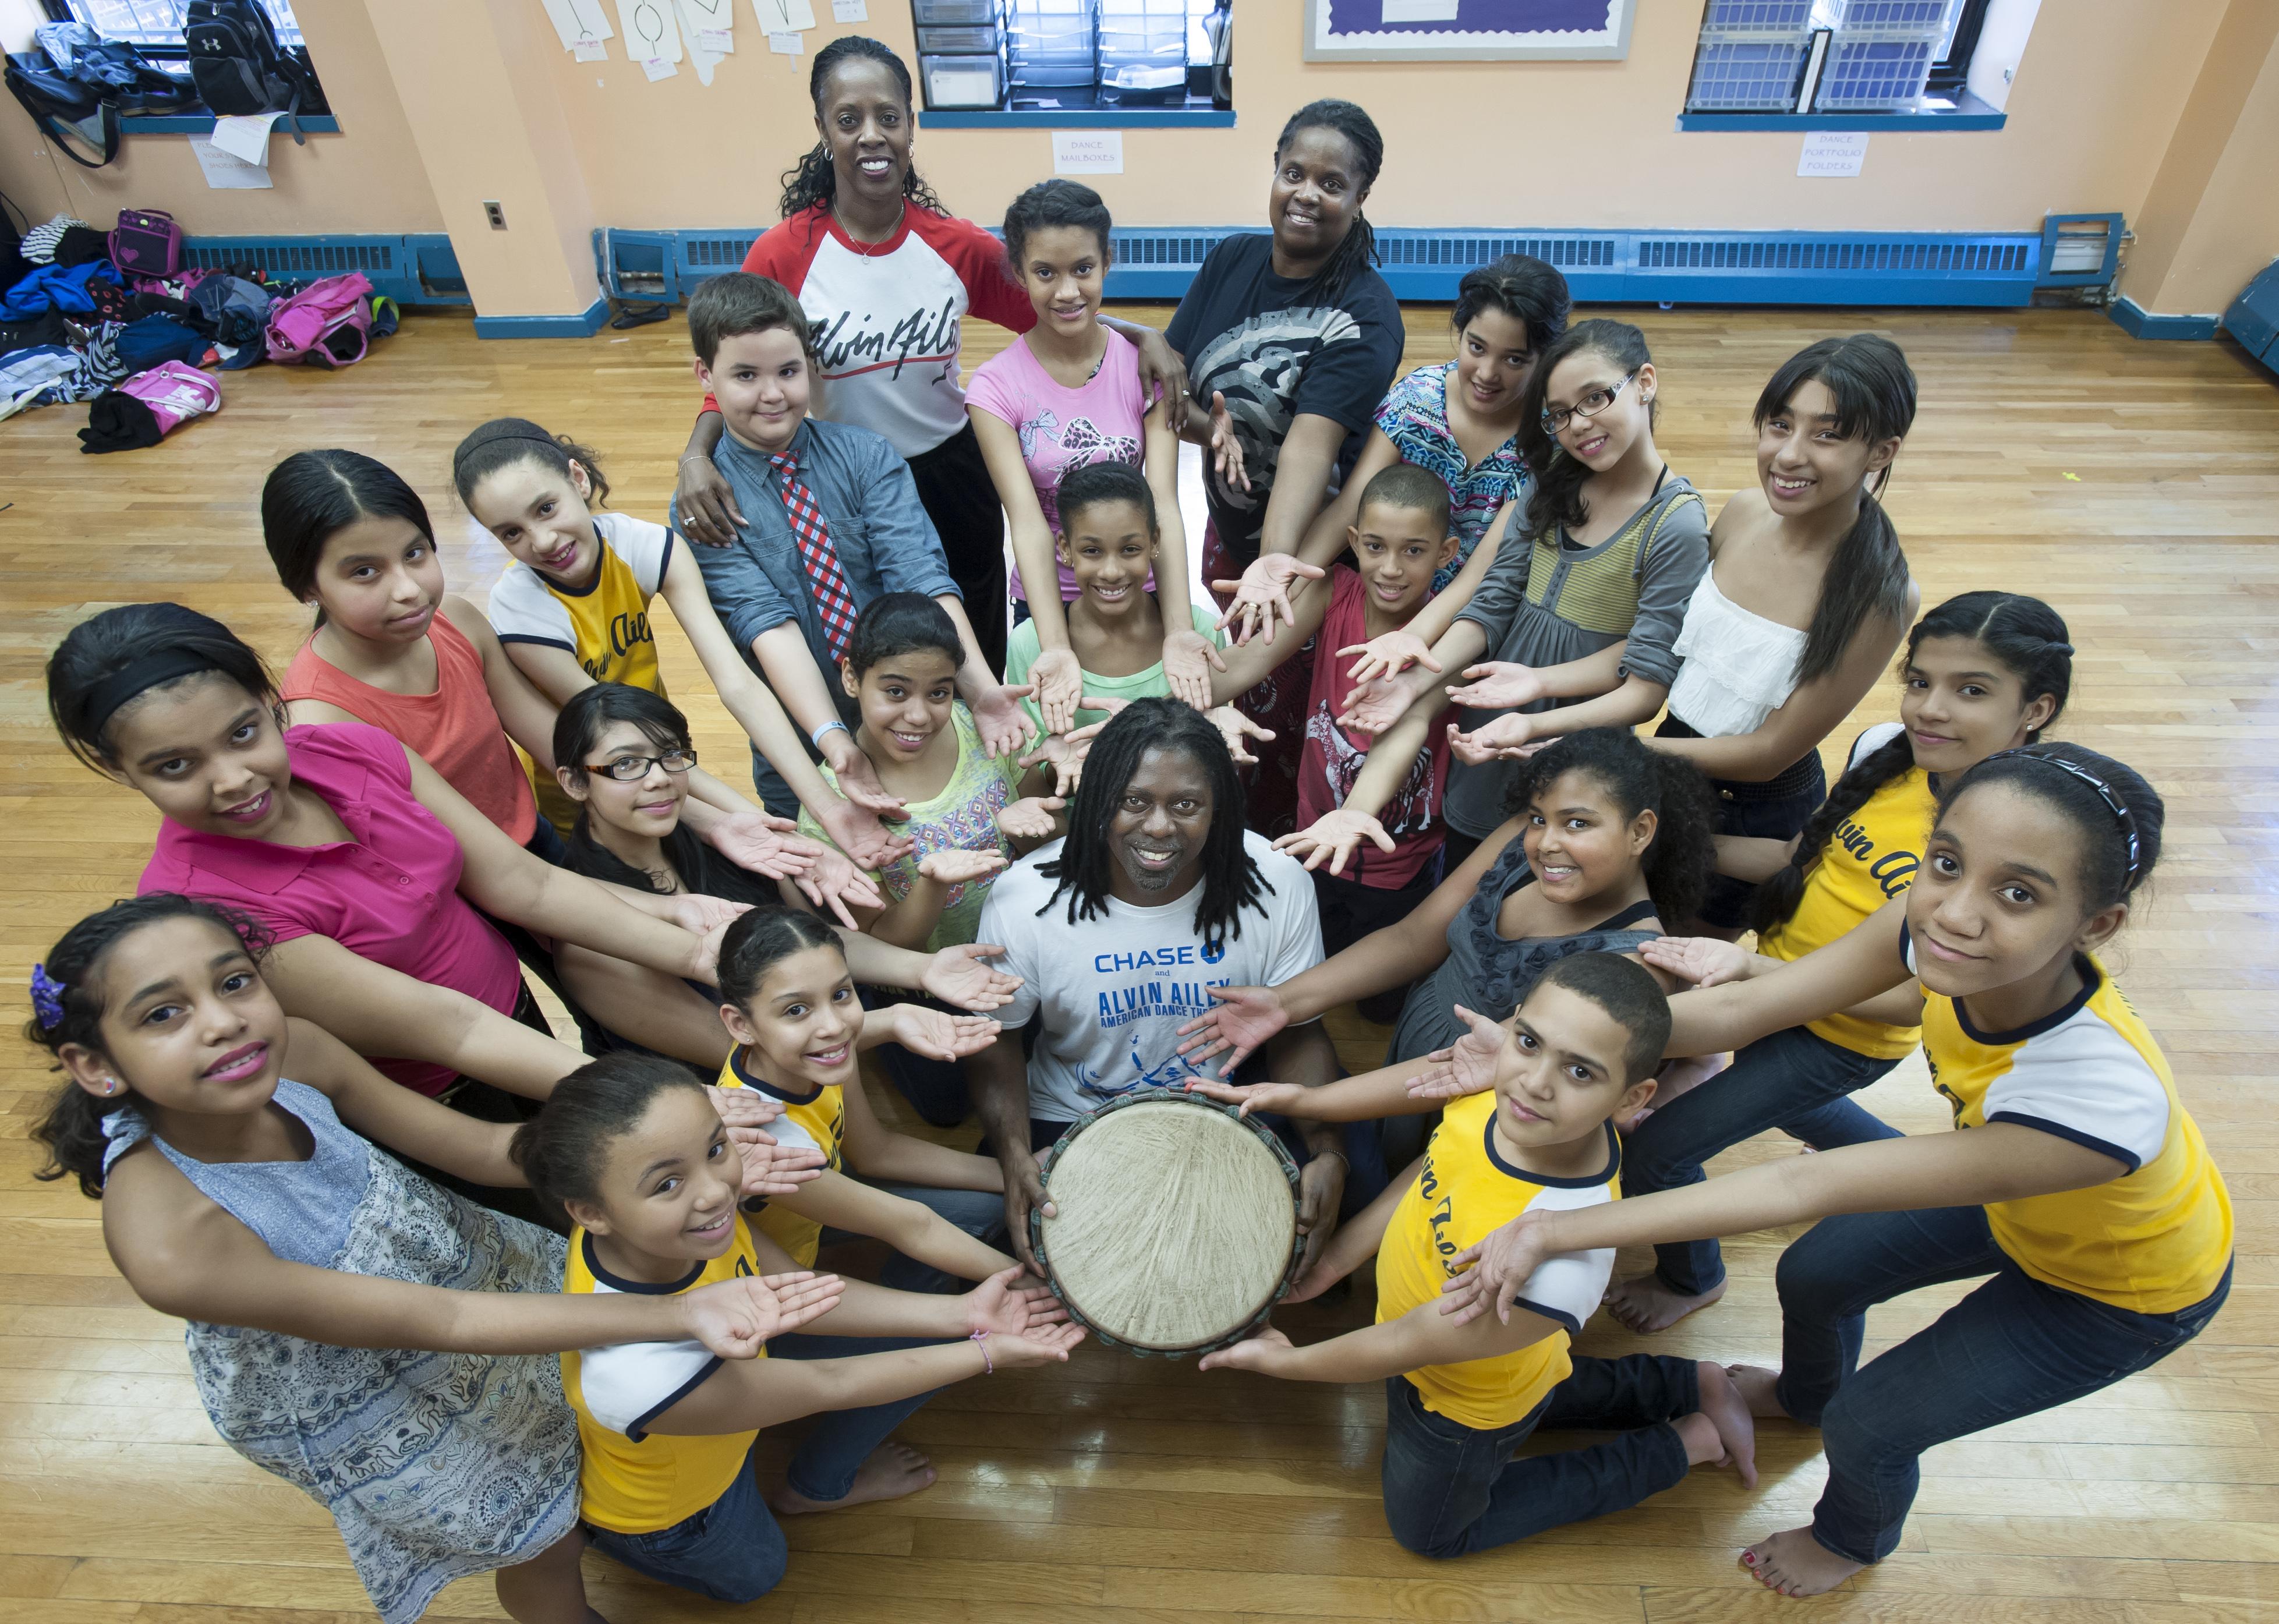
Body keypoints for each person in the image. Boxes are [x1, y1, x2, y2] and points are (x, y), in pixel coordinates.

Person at [1441, 744, 2233, 1597]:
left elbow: (1800, 1184)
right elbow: (1746, 1004)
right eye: (1945, 862)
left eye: (2017, 893)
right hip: (2021, 1200)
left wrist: (1555, 1227)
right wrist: (1552, 1047)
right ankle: (1804, 1398)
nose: (1954, 913)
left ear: (2095, 924)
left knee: (1873, 1425)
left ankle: (1851, 1537)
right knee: (1814, 1273)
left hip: (2121, 1290)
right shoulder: (1928, 922)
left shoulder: (2094, 1099)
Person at [22, 893, 831, 1624]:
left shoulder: (298, 1051)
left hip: (452, 1268)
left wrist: (647, 1159)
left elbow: (481, 1147)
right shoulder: (172, 1240)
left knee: (569, 1420)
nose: (223, 1020)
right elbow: (442, 1322)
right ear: (95, 1066)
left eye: (234, 983)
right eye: (163, 1015)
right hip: (365, 1382)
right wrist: (676, 1310)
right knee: (537, 1538)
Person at [44, 604, 728, 1113]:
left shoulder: (354, 750)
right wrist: (634, 1097)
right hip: (444, 1093)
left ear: (267, 700)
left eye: (244, 733)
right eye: (175, 765)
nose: (233, 778)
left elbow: (527, 884)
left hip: (513, 1018)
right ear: (121, 769)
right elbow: (446, 1030)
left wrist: (700, 953)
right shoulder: (207, 906)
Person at [1607, 592, 2075, 1333]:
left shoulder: (2010, 838)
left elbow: (1926, 999)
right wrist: (1640, 840)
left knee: (1657, 1156)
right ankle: (1916, 1176)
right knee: (1780, 1101)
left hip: (1838, 1036)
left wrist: (1757, 978)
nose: (1930, 708)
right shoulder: (1890, 755)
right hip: (1775, 990)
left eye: (1971, 690)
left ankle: (1691, 1278)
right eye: (1920, 681)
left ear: (2036, 709)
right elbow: (1799, 859)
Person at [1194, 954, 1757, 1558]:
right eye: (1528, 1041)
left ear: (1633, 1096)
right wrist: (1335, 1262)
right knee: (1548, 1380)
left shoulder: (1568, 1263)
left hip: (1465, 1404)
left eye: (1579, 1071)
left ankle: (1682, 1443)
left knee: (1433, 1532)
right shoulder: (1503, 1102)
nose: (1534, 1081)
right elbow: (1432, 1171)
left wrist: (1288, 1362)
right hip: (1446, 1352)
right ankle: (1686, 1380)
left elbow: (1411, 1339)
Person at [670, 36, 1187, 673]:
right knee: (875, 634)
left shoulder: (955, 246)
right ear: (822, 128)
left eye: (888, 117)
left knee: (974, 628)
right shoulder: (783, 254)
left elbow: (1059, 309)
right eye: (848, 119)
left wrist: (1142, 335)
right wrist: (696, 454)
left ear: (911, 125)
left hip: (952, 470)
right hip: (842, 475)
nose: (870, 135)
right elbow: (733, 365)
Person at [515, 1052, 1083, 1604]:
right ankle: (608, 1542)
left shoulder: (651, 1228)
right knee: (760, 1574)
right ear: (590, 1210)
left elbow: (800, 1290)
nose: (715, 1189)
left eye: (716, 1148)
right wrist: (986, 1351)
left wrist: (963, 1315)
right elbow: (829, 1383)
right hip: (675, 1513)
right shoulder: (640, 1374)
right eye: (666, 1183)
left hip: (726, 1435)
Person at [1457, 333, 1923, 935]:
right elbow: (1674, 644)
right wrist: (1538, 697)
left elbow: (1766, 753)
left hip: (1752, 810)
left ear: (1880, 452)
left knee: (1670, 974)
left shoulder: (1880, 595)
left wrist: (1605, 751)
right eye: (1778, 425)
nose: (1787, 454)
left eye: (1826, 434)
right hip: (1671, 760)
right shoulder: (1744, 510)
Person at [1177, 727, 1713, 1175]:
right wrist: (1283, 1001)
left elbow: (1459, 1070)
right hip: (1419, 1042)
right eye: (1539, 817)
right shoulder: (1518, 842)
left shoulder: (1637, 962)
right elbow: (1414, 937)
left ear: (1641, 831)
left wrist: (1309, 1102)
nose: (1547, 841)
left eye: (1578, 823)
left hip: (1478, 1101)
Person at [1308, 319, 1708, 878]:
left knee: (1546, 875)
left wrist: (1534, 721)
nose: (1580, 426)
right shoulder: (1546, 483)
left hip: (1571, 742)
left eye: (1595, 398)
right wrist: (1416, 679)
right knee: (1467, 867)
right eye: (1561, 414)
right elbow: (1491, 604)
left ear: (1644, 383)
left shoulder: (1677, 525)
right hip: (1491, 716)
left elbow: (1644, 690)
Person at [963, 699, 1349, 1271]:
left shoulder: (1276, 880)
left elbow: (1298, 1028)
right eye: (1133, 800)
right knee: (999, 1238)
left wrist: (1328, 1151)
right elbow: (998, 1041)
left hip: (1226, 1106)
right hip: (1073, 1111)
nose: (1159, 826)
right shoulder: (1024, 898)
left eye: (1186, 804)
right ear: (1097, 799)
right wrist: (1014, 1151)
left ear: (1219, 807)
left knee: (1344, 1190)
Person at [452, 415, 903, 876]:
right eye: (511, 533)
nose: (542, 541)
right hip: (592, 800)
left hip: (661, 766)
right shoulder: (521, 609)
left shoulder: (644, 546)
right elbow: (612, 737)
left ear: (579, 480)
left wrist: (825, 807)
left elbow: (736, 683)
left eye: (546, 508)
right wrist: (760, 823)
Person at [673, 270, 1036, 822]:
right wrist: (834, 739)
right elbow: (767, 625)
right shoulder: (704, 504)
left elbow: (920, 577)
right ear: (706, 374)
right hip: (802, 737)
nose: (772, 394)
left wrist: (981, 689)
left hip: (909, 713)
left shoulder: (867, 455)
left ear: (810, 367)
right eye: (745, 375)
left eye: (789, 372)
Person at [549, 681, 1045, 1070]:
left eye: (671, 756)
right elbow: (740, 1048)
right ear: (573, 782)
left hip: (817, 1049)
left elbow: (806, 944)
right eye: (626, 765)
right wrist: (893, 1021)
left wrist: (920, 971)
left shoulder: (723, 839)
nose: (658, 778)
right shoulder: (590, 937)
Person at [1164, 98, 1405, 829]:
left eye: (1332, 184)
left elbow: (1309, 445)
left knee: (1282, 741)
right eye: (1294, 172)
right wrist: (1207, 424)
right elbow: (1178, 386)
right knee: (1224, 718)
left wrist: (1274, 567)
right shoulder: (1232, 258)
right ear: (1273, 170)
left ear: (1360, 198)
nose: (1307, 193)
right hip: (1230, 533)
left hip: (1309, 562)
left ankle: (1273, 866)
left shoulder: (1363, 315)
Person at [794, 595, 1069, 1123]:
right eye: (895, 691)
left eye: (939, 693)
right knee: (949, 1111)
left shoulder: (980, 730)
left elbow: (1049, 838)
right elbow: (885, 942)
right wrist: (932, 883)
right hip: (927, 981)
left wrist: (1041, 800)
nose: (918, 716)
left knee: (1046, 1064)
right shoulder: (833, 811)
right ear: (851, 677)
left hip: (1023, 951)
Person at [968, 179, 1216, 727]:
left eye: (1083, 269)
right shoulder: (993, 389)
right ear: (1018, 272)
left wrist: (1178, 626)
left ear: (1107, 261)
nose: (1067, 292)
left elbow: (1164, 504)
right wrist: (1054, 644)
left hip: (1139, 589)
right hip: (1050, 603)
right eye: (1045, 273)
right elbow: (1027, 524)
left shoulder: (1144, 365)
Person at [1223, 253, 1570, 636]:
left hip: (1481, 619)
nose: (1488, 373)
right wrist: (1288, 578)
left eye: (1515, 359)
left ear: (1546, 358)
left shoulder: (1548, 437)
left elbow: (1485, 570)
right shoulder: (1416, 400)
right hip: (1399, 596)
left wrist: (1412, 640)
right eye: (1476, 347)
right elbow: (1353, 503)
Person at [1204, 464, 1458, 981]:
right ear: (1352, 541)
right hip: (1314, 831)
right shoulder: (1334, 592)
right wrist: (1167, 699)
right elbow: (1246, 665)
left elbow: (1411, 727)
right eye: (1375, 546)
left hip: (1398, 858)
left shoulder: (1452, 634)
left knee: (1379, 993)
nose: (1390, 568)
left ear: (1446, 554)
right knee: (1307, 958)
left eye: (1413, 550)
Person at [261, 448, 561, 858]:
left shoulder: (455, 618)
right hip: (456, 890)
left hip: (531, 835)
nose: (408, 589)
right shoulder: (319, 720)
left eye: (414, 553)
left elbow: (549, 737)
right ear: (306, 587)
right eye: (365, 571)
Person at [1000, 461, 1227, 735]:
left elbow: (1215, 737)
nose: (1112, 572)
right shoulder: (1030, 647)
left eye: (1130, 549)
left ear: (1154, 542)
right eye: (1092, 551)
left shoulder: (1199, 634)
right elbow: (1033, 764)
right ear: (1065, 549)